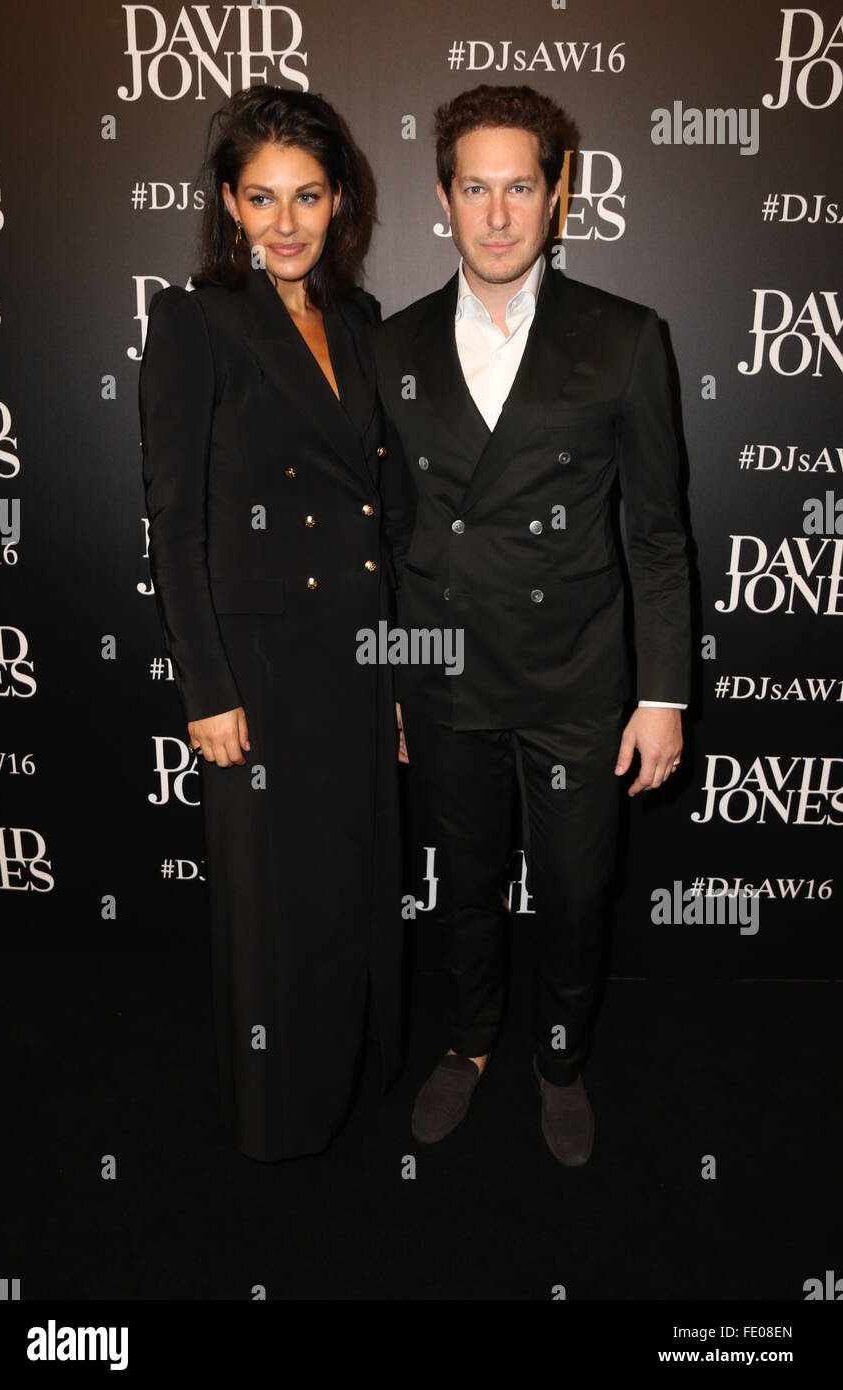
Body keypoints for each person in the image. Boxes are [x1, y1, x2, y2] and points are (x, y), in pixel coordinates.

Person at [375, 85, 691, 1166]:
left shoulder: (622, 338)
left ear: (557, 196)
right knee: (462, 884)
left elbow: (655, 533)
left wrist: (659, 695)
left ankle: (557, 1058)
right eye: (476, 187)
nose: (498, 213)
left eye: (520, 187)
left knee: (571, 891)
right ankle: (467, 1045)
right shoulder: (394, 343)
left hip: (574, 681)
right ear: (443, 197)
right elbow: (398, 537)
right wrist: (398, 688)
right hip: (447, 679)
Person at [139, 85, 408, 1162]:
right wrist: (206, 689)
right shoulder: (196, 322)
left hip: (353, 654)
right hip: (255, 662)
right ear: (228, 204)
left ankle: (357, 1075)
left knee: (352, 880)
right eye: (263, 198)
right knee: (271, 900)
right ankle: (278, 1117)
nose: (285, 222)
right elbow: (173, 522)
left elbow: (380, 519)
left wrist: (391, 676)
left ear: (338, 201)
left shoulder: (359, 322)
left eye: (306, 196)